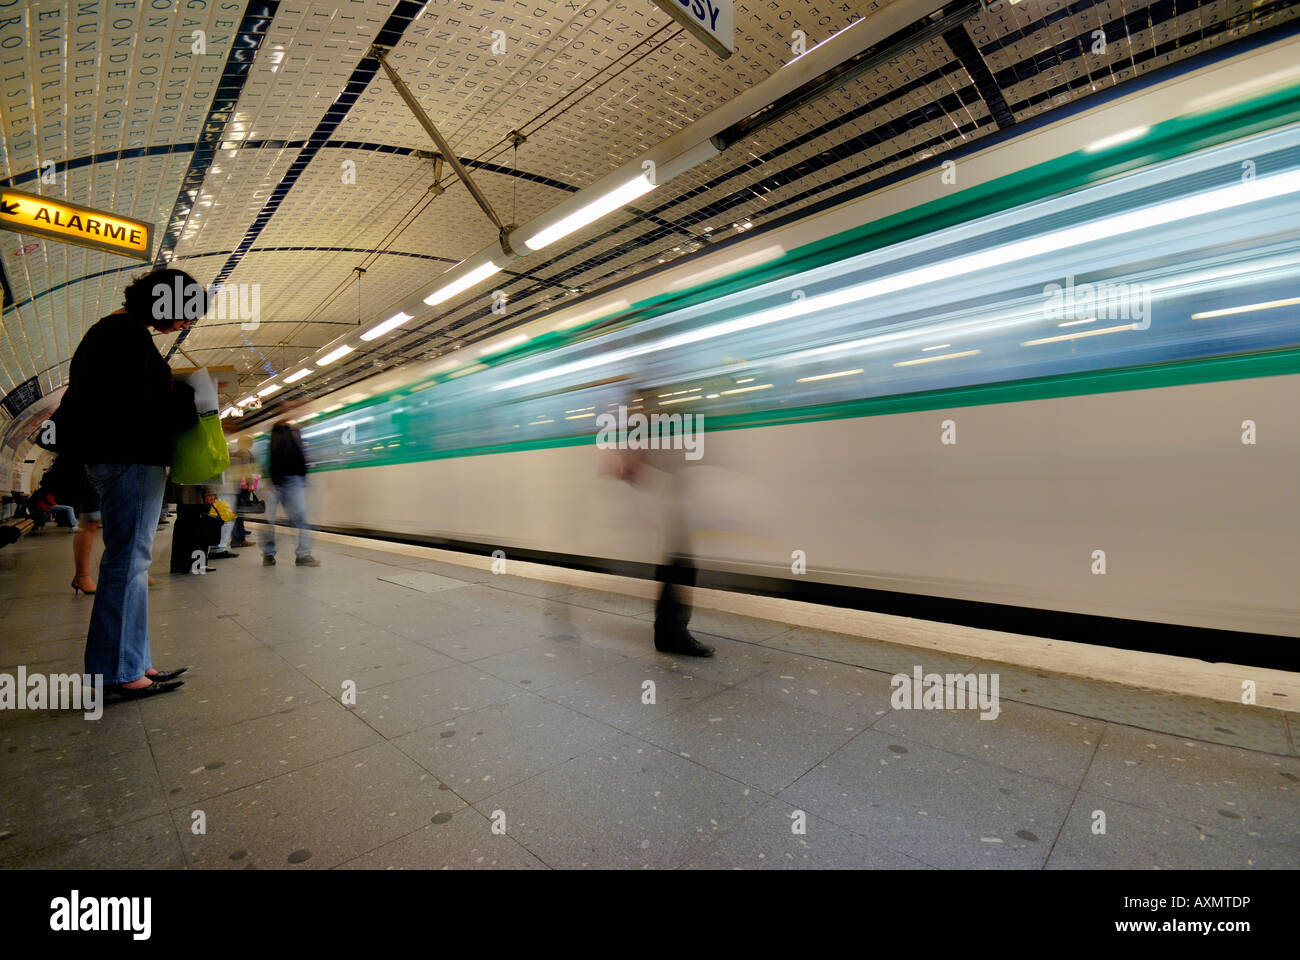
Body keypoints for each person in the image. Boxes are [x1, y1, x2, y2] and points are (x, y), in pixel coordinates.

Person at [55, 267, 204, 699]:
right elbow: (144, 407)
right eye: (184, 313)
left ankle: (134, 661)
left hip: (118, 459)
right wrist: (188, 398)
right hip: (129, 459)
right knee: (127, 564)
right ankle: (117, 672)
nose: (185, 323)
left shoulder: (116, 333)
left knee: (132, 564)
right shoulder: (124, 338)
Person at [261, 419, 319, 566]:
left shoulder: (274, 437)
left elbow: (269, 460)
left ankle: (269, 554)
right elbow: (300, 459)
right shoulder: (291, 433)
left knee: (271, 521)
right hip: (291, 481)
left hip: (281, 482)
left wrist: (270, 479)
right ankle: (302, 554)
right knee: (300, 520)